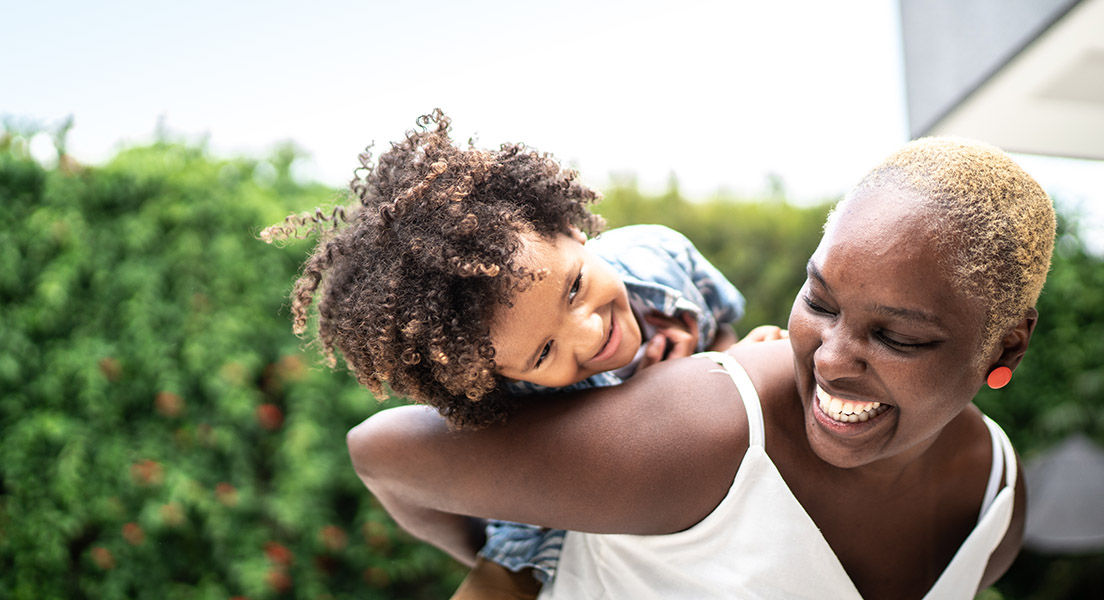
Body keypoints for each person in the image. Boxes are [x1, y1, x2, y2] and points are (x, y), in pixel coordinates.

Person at [347, 136, 1056, 599]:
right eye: (819, 301)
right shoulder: (703, 427)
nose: (832, 359)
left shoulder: (997, 506)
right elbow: (379, 450)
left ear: (1006, 348)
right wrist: (510, 533)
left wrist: (720, 341)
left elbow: (713, 310)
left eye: (898, 336)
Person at [262, 110, 782, 597]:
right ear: (495, 380)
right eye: (544, 352)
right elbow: (511, 565)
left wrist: (731, 358)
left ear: (571, 230)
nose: (589, 334)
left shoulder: (659, 256)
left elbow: (722, 329)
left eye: (575, 288)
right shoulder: (536, 422)